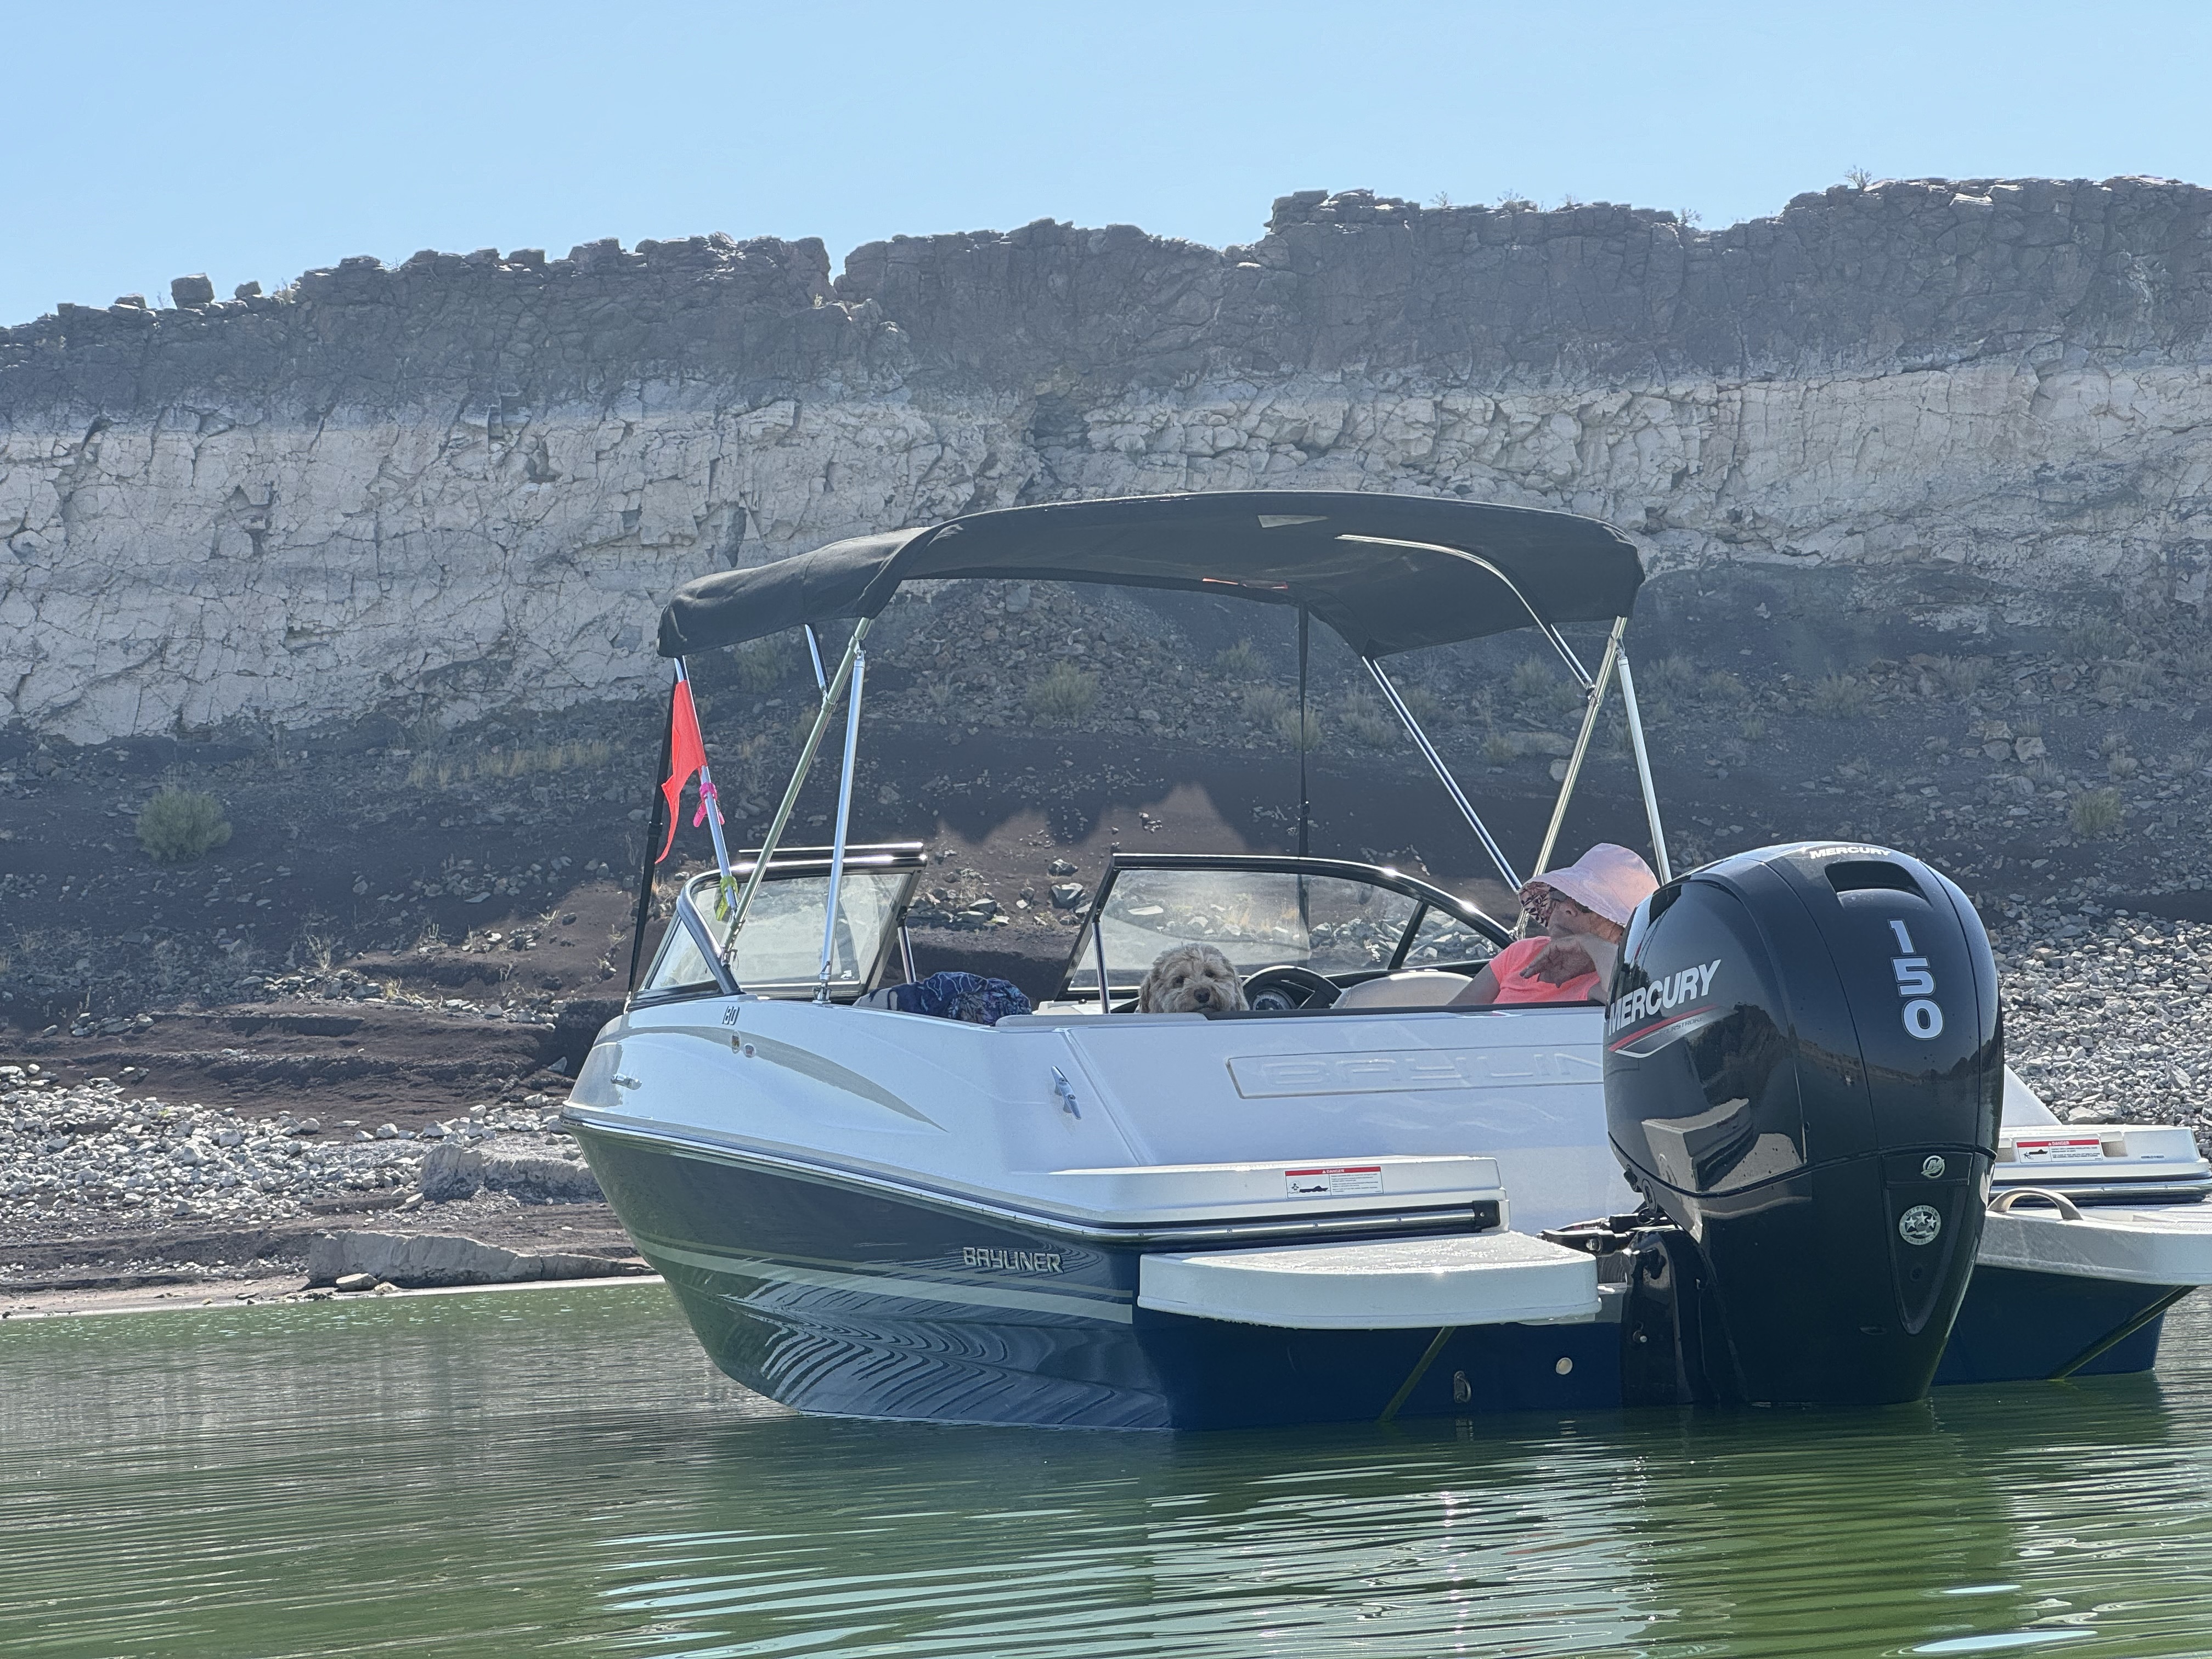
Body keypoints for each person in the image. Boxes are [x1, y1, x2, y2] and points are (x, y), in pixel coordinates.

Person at [1450, 843, 1658, 1007]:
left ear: (1622, 933)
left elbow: (1635, 1000)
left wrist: (1588, 944)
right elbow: (1447, 1022)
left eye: (1585, 904)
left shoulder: (1605, 980)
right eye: (1561, 894)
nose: (1564, 908)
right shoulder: (1521, 954)